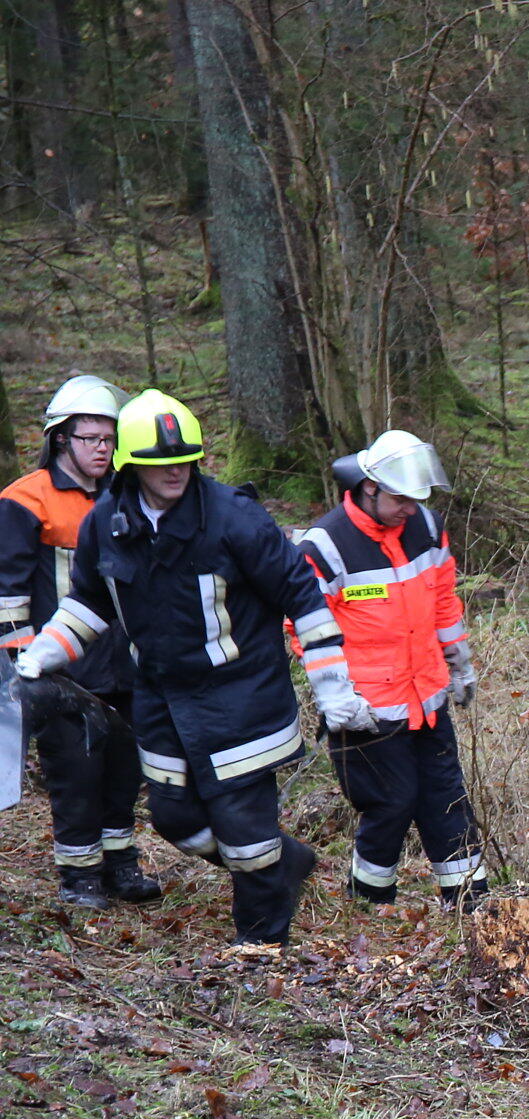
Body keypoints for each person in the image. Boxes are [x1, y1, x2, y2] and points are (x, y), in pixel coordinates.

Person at [15, 391, 372, 948]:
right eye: (160, 465)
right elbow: (90, 601)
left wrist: (332, 684)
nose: (175, 473)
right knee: (173, 816)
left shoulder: (235, 517)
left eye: (184, 461)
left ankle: (260, 946)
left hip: (242, 698)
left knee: (246, 833)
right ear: (132, 466)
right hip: (160, 698)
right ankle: (283, 866)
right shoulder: (106, 521)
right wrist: (41, 654)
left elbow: (302, 595)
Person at [294, 429, 486, 908]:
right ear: (370, 487)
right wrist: (335, 698)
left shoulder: (425, 525)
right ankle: (369, 903)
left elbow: (443, 600)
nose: (409, 509)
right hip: (365, 710)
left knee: (447, 801)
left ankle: (469, 904)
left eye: (417, 499)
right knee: (391, 804)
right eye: (401, 499)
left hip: (427, 697)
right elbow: (305, 628)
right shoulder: (326, 544)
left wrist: (459, 665)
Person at [0, 374, 158, 906]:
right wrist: (25, 669)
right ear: (62, 438)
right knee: (75, 773)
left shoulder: (127, 497)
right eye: (92, 439)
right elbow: (7, 595)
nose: (103, 450)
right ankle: (79, 875)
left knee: (123, 770)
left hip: (128, 664)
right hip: (63, 669)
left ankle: (121, 865)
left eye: (110, 440)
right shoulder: (26, 499)